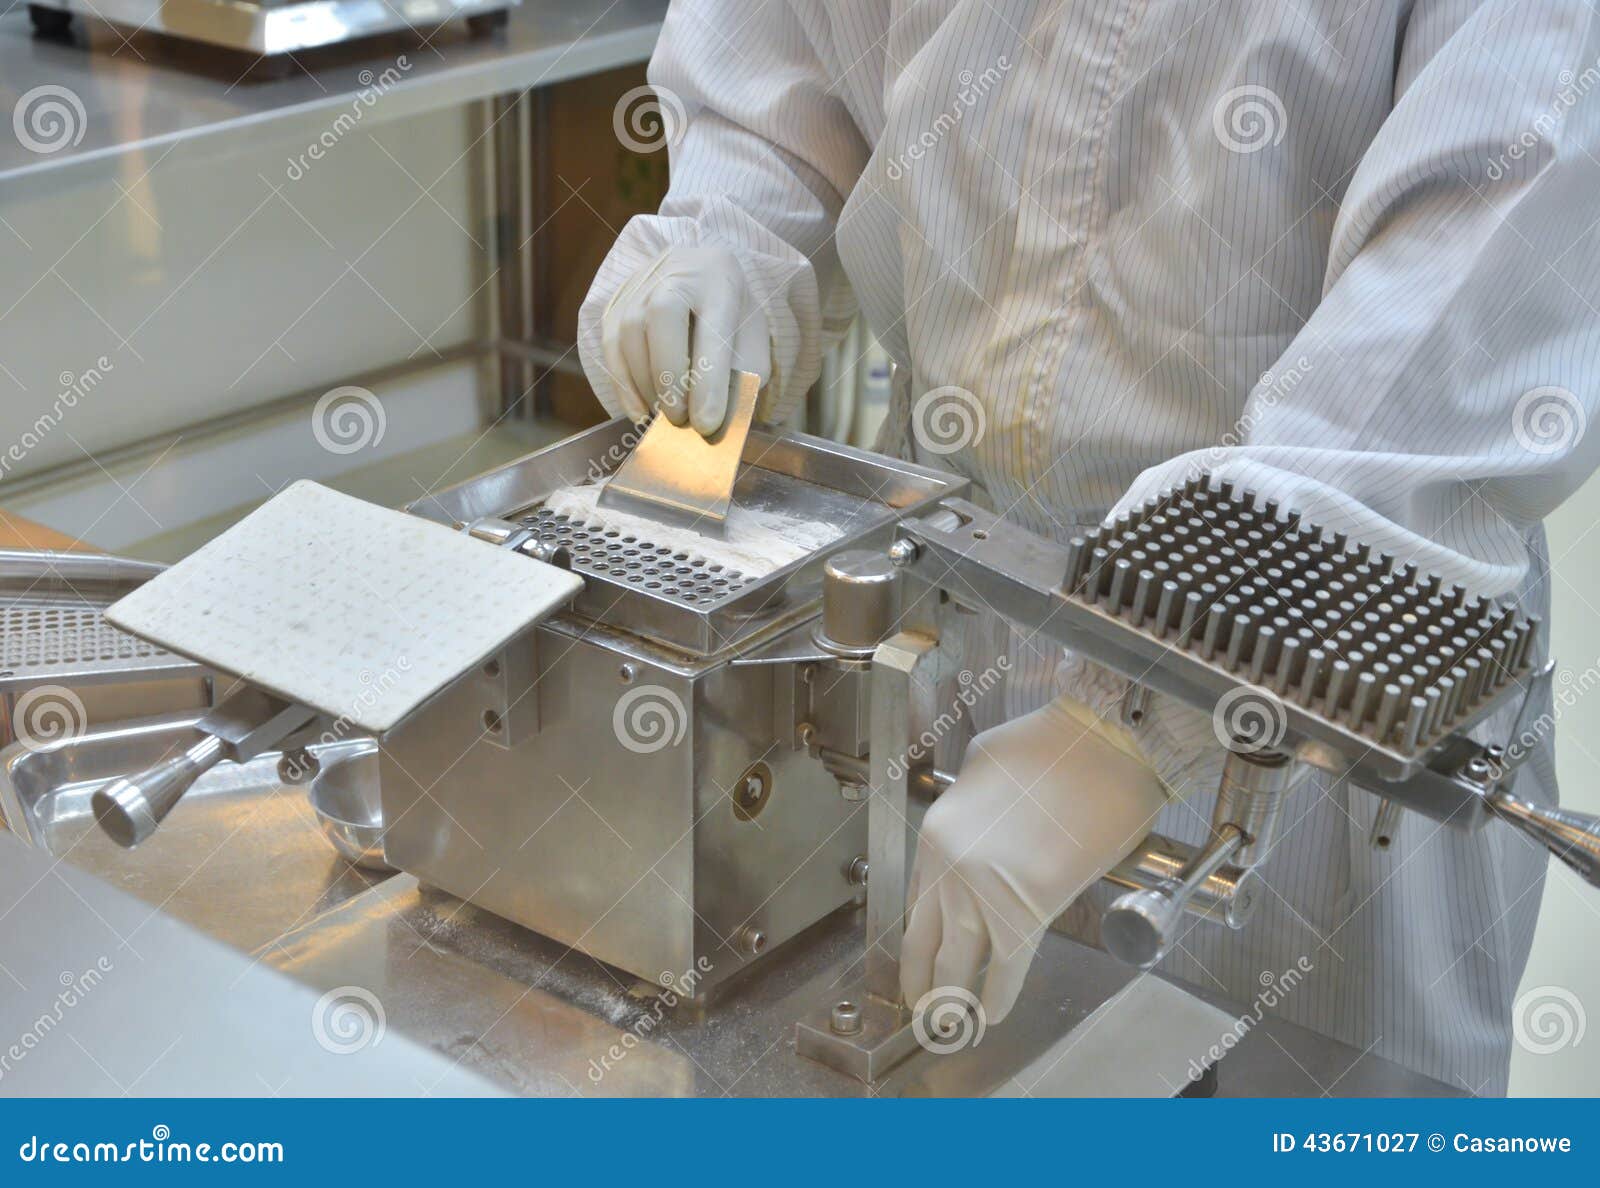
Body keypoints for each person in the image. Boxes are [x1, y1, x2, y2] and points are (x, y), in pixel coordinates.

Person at [579, 0, 1600, 1095]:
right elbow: (772, 58)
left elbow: (1478, 290)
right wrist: (724, 239)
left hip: (1323, 679)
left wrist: (1125, 724)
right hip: (960, 611)